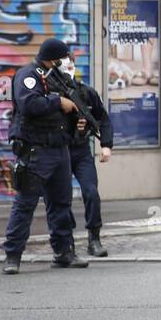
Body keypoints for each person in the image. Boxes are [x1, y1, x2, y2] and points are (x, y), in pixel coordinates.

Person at [1, 38, 89, 274]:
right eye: (63, 58)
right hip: (35, 150)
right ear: (53, 58)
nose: (66, 62)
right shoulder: (28, 75)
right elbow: (29, 104)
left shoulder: (59, 78)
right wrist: (58, 101)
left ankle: (64, 252)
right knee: (25, 204)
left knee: (61, 204)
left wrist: (78, 120)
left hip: (60, 150)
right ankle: (12, 256)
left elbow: (69, 111)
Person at [59, 52, 114, 258]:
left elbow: (103, 119)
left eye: (70, 65)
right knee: (61, 198)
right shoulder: (51, 92)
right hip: (59, 150)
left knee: (91, 192)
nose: (68, 70)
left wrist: (106, 145)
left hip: (81, 150)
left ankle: (94, 239)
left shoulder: (86, 92)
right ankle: (67, 241)